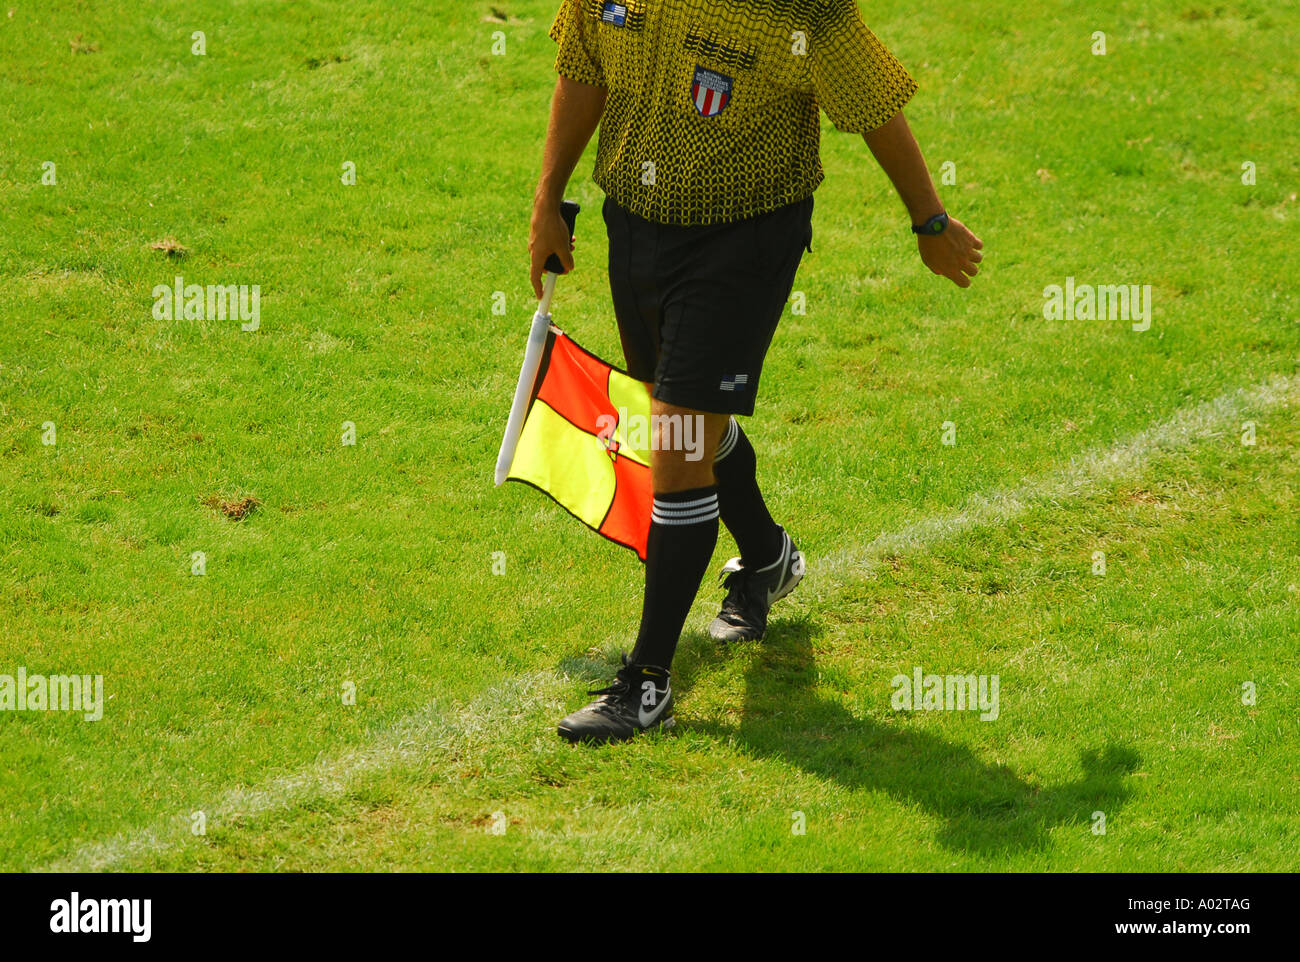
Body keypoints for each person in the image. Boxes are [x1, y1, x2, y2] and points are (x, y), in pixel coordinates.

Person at [528, 0, 983, 744]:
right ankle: (768, 557)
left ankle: (646, 685)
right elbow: (582, 67)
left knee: (676, 443)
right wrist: (548, 199)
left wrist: (928, 220)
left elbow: (873, 104)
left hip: (743, 238)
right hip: (635, 223)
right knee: (676, 416)